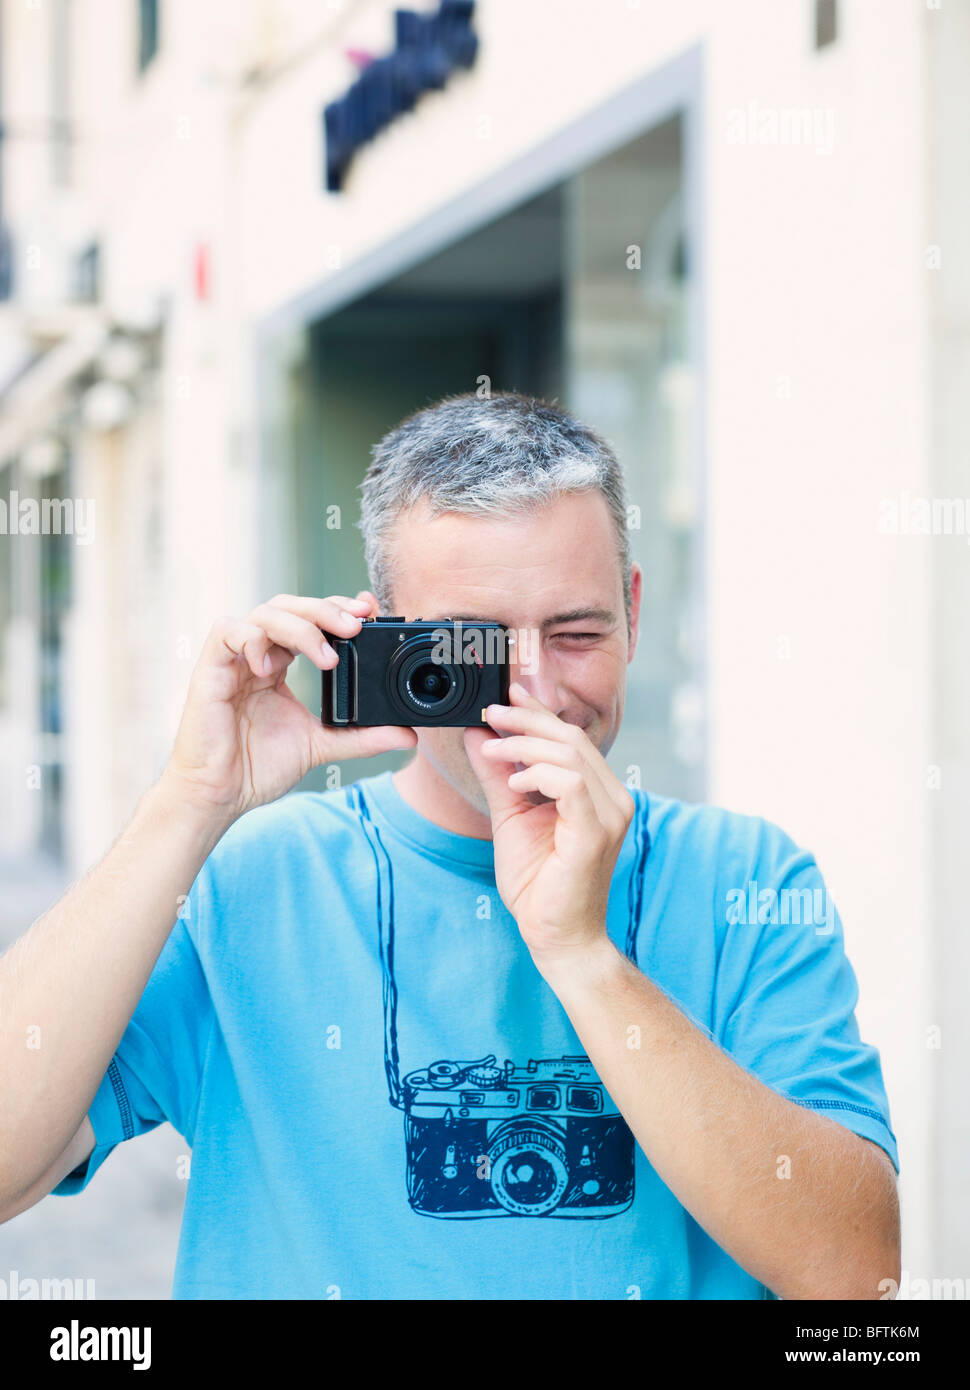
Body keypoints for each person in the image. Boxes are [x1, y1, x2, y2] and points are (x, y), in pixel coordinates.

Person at [0, 392, 900, 1300]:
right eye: (474, 648)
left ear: (633, 613)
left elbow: (861, 1281)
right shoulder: (257, 879)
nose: (537, 690)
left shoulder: (744, 880)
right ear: (387, 641)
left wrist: (582, 957)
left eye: (577, 632)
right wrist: (188, 801)